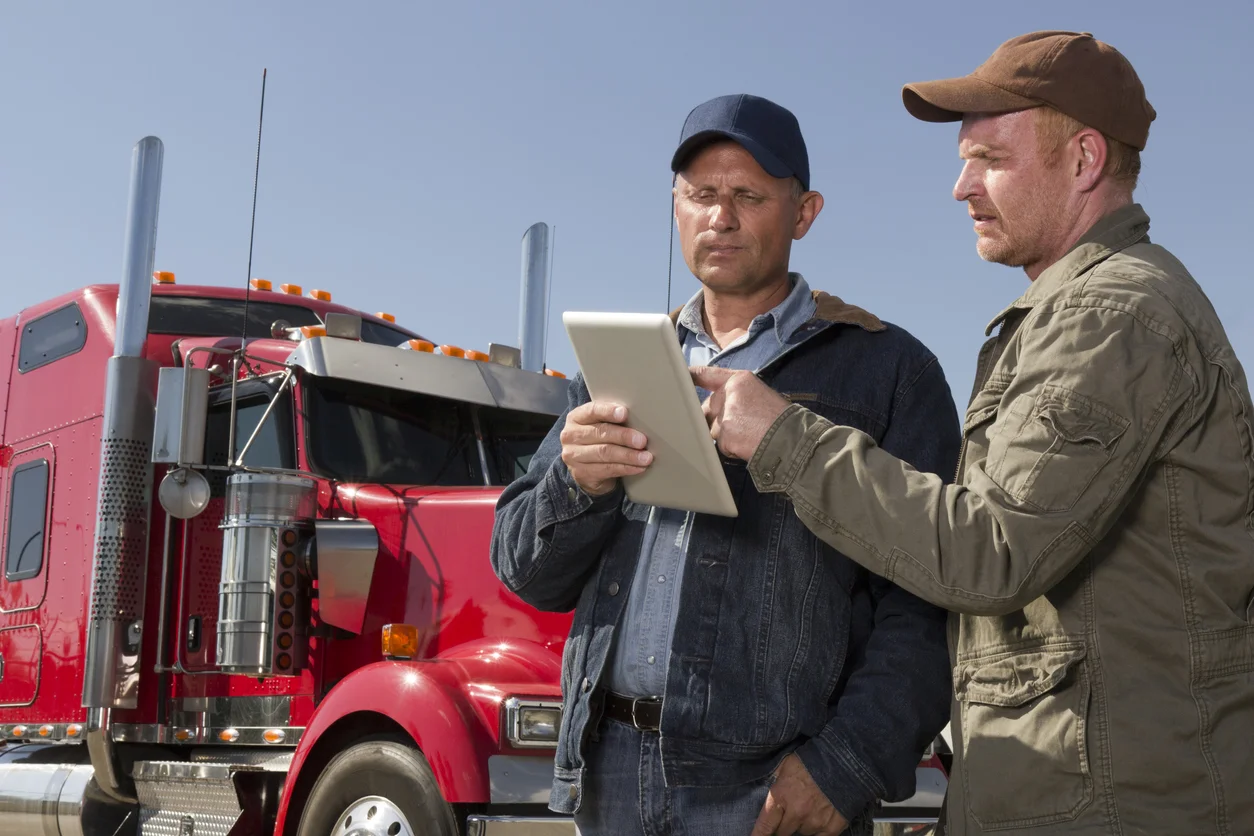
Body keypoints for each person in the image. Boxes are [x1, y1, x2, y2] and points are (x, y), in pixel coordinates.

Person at [695, 32, 1254, 835]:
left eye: (990, 158)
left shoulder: (1109, 312)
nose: (962, 187)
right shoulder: (1081, 308)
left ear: (1085, 159)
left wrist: (786, 439)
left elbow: (990, 551)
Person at [491, 93, 960, 835]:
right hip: (607, 775)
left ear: (804, 213)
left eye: (748, 195)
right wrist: (573, 483)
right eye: (702, 195)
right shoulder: (618, 365)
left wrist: (845, 769)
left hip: (768, 790)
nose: (721, 217)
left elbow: (930, 605)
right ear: (675, 206)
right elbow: (526, 571)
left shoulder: (887, 372)